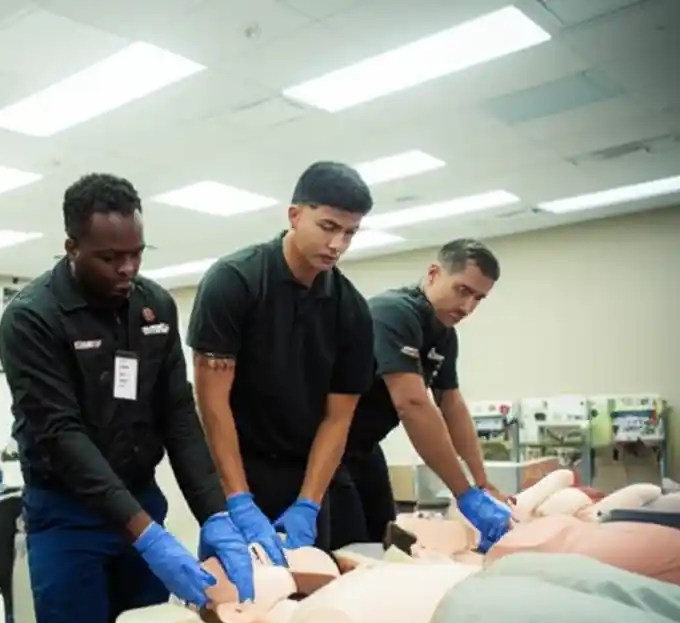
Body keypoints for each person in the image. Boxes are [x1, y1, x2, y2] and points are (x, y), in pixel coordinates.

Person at [0, 173, 255, 623]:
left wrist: (214, 514)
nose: (127, 268)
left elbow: (177, 413)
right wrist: (147, 537)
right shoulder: (32, 318)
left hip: (141, 500)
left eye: (136, 253)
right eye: (110, 257)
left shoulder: (153, 305)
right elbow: (61, 435)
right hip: (68, 516)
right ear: (72, 247)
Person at [188, 161, 376, 556]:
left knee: (306, 600)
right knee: (233, 602)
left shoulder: (352, 310)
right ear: (295, 215)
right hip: (237, 466)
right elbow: (213, 404)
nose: (338, 244)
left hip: (308, 474)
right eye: (328, 227)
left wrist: (308, 503)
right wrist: (238, 499)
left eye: (350, 233)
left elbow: (338, 417)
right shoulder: (234, 281)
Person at [339, 239, 511, 549]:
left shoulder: (444, 334)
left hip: (363, 446)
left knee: (384, 538)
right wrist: (465, 494)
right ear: (434, 274)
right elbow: (413, 405)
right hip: (323, 447)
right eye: (462, 290)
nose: (468, 307)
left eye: (478, 298)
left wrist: (481, 483)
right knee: (350, 544)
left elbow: (451, 404)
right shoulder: (392, 313)